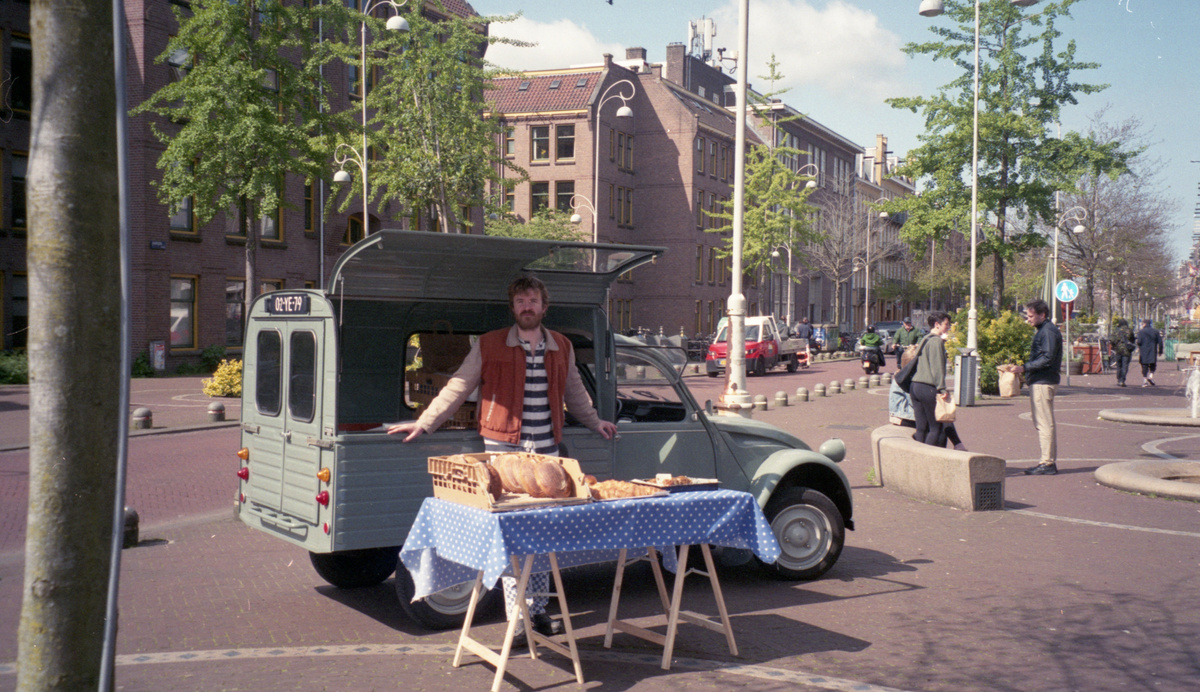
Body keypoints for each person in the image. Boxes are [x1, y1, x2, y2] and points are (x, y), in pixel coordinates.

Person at [388, 275, 617, 645]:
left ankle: (537, 610)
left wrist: (594, 421)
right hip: (504, 453)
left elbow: (574, 391)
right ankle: (518, 617)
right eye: (521, 301)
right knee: (512, 538)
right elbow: (458, 386)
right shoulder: (489, 344)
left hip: (547, 455)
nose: (527, 307)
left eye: (533, 300)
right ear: (513, 307)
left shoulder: (561, 345)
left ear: (544, 306)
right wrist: (425, 422)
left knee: (542, 537)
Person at [1011, 299, 1062, 476]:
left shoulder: (1047, 332)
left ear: (1042, 315)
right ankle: (1047, 461)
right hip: (1043, 381)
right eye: (1028, 315)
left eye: (1031, 316)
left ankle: (1047, 463)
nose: (1028, 319)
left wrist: (1024, 368)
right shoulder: (1046, 330)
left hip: (1043, 382)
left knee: (1044, 423)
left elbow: (1047, 358)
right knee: (1043, 422)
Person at [889, 345, 967, 450]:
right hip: (903, 416)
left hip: (905, 414)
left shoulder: (903, 376)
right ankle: (954, 445)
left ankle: (956, 445)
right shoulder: (908, 380)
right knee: (940, 421)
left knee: (940, 416)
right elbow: (919, 404)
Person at [909, 312, 952, 447]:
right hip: (928, 387)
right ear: (937, 324)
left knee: (921, 427)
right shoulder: (936, 341)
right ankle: (927, 456)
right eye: (946, 324)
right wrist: (942, 388)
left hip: (915, 386)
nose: (948, 327)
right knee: (935, 428)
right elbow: (937, 367)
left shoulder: (925, 339)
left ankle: (916, 453)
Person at [1135, 319, 1163, 387]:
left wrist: (1138, 346)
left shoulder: (1141, 332)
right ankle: (1151, 376)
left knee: (1144, 365)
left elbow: (1139, 342)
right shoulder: (1155, 331)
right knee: (1153, 364)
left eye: (1142, 324)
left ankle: (1145, 380)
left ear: (1144, 324)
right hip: (1152, 350)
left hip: (1144, 351)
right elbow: (1160, 342)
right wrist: (1160, 351)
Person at [1110, 318, 1135, 387]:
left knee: (1119, 365)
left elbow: (1112, 340)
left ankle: (1118, 378)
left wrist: (1114, 346)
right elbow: (1133, 340)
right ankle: (1122, 380)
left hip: (1118, 350)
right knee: (1125, 366)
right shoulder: (1129, 330)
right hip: (1127, 350)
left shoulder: (1116, 331)